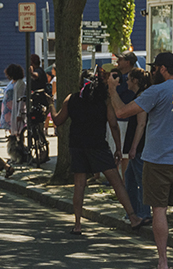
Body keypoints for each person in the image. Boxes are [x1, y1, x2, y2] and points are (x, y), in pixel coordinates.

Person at [107, 52, 173, 269]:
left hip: (157, 160)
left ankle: (162, 261)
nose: (151, 73)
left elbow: (122, 111)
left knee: (158, 209)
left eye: (154, 68)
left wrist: (112, 89)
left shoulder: (156, 91)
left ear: (162, 69)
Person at [52, 74, 144, 236]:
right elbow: (113, 125)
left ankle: (78, 224)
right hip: (98, 146)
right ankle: (133, 217)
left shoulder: (71, 99)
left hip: (77, 145)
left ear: (81, 83)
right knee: (116, 182)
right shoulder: (104, 100)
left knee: (79, 185)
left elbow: (58, 120)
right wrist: (117, 147)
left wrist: (50, 107)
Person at [122, 68, 152, 224]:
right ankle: (132, 212)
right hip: (139, 146)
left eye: (128, 79)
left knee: (140, 180)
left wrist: (133, 147)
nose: (126, 82)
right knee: (130, 178)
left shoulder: (142, 97)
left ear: (135, 80)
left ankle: (144, 213)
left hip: (140, 146)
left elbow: (141, 124)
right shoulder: (139, 96)